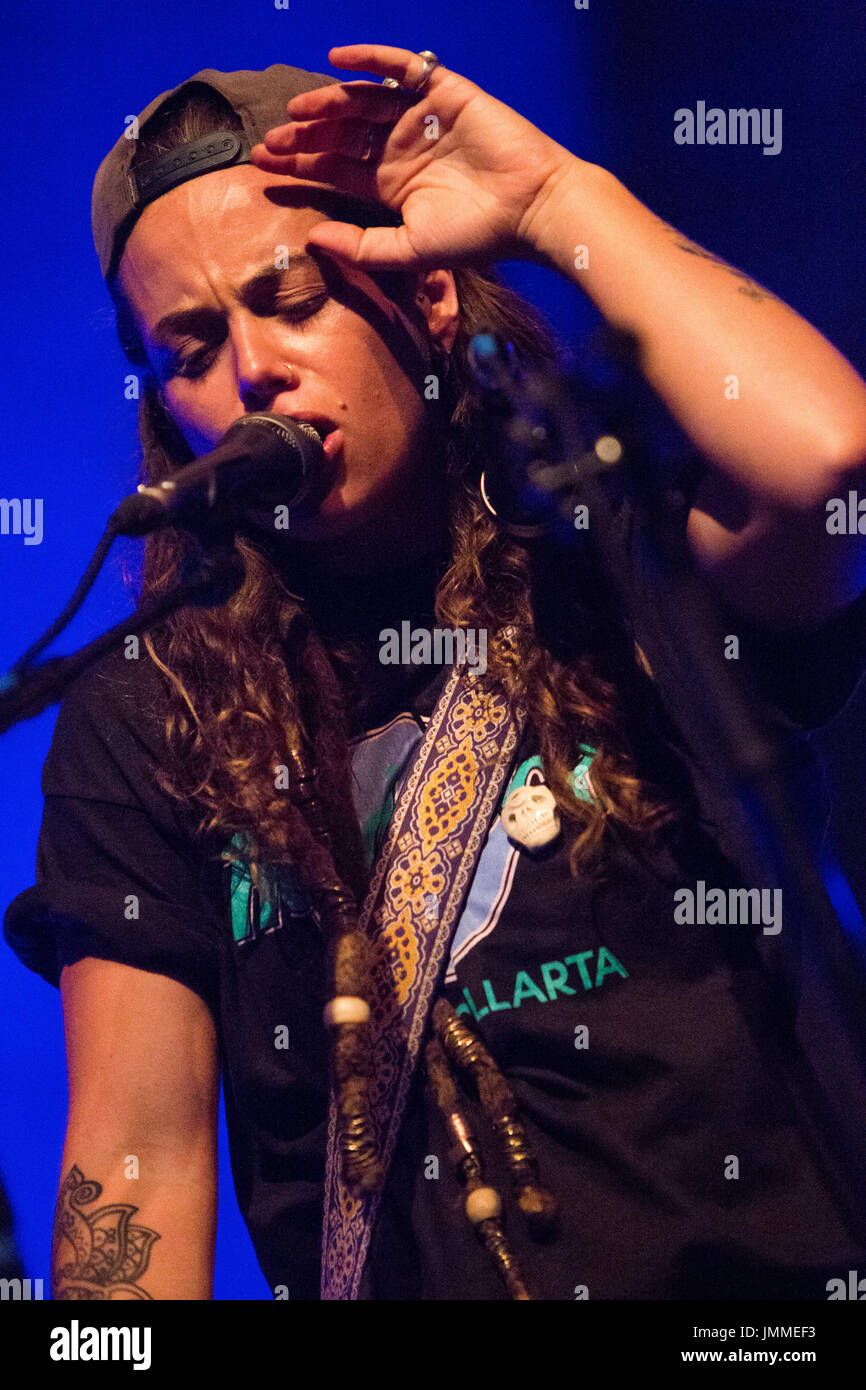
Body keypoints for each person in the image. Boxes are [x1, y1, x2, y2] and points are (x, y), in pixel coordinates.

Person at [5, 43, 866, 1302]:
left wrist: (555, 203)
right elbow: (133, 1175)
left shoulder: (615, 557)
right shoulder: (144, 716)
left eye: (292, 298)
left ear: (427, 298)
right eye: (190, 347)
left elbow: (831, 464)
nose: (252, 371)